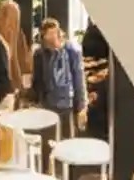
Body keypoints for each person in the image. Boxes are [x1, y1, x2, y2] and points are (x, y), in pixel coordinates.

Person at [31, 19, 85, 171]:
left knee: (67, 145)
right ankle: (46, 173)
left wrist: (80, 104)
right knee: (47, 143)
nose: (52, 39)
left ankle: (67, 173)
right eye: (48, 36)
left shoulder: (71, 51)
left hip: (67, 103)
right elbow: (38, 80)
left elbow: (78, 78)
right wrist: (37, 100)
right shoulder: (40, 54)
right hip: (48, 104)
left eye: (54, 34)